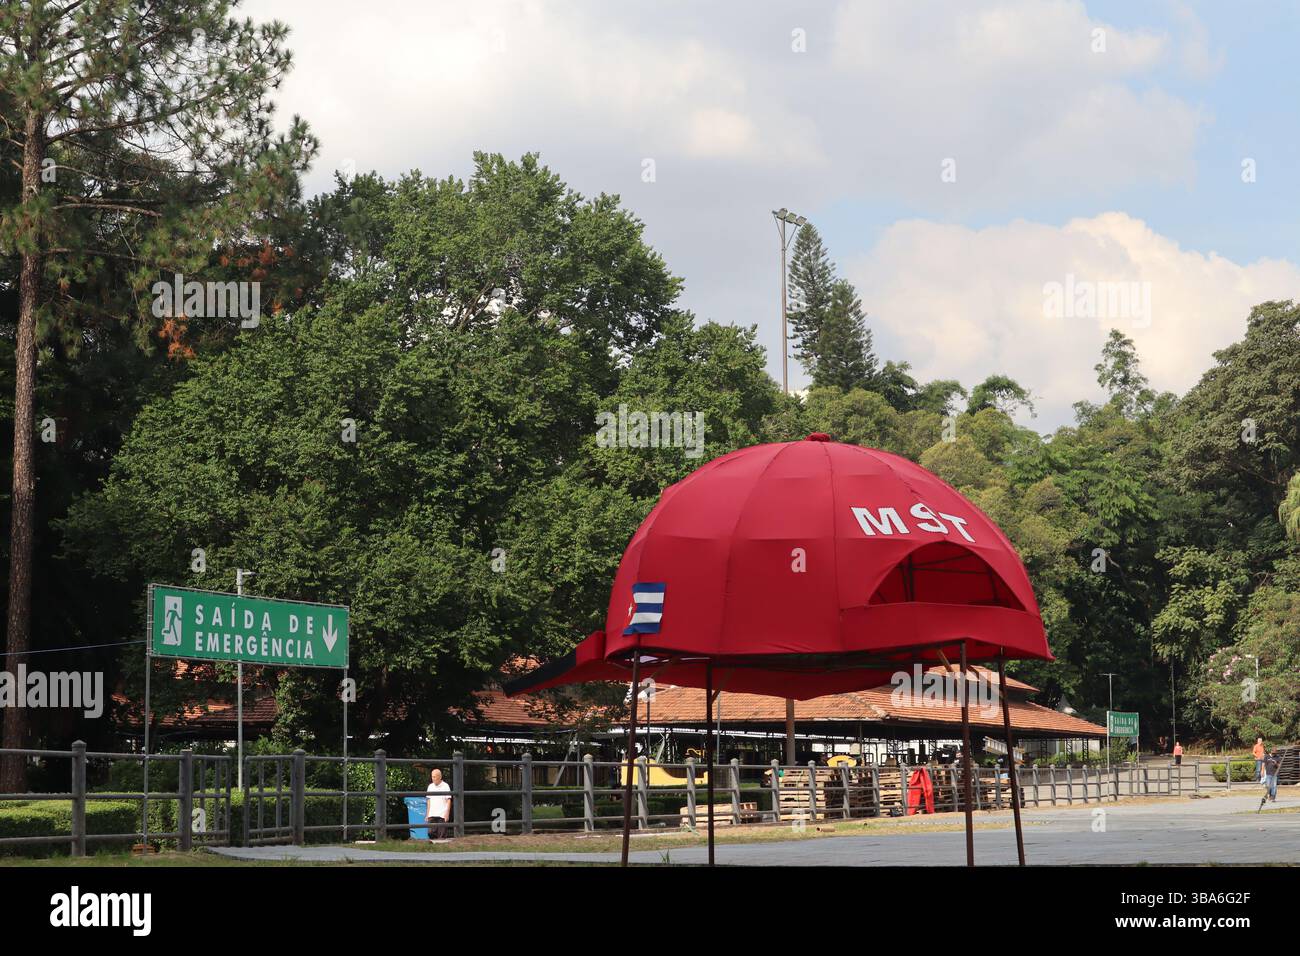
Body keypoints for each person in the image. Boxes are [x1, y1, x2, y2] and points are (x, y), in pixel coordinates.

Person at [425, 768, 452, 840]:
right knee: (430, 833)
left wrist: (447, 813)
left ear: (440, 777)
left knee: (441, 836)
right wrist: (427, 814)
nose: (433, 778)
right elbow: (428, 801)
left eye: (434, 777)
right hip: (432, 814)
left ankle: (441, 849)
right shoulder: (430, 786)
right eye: (432, 776)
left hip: (442, 814)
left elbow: (448, 800)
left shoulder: (446, 786)